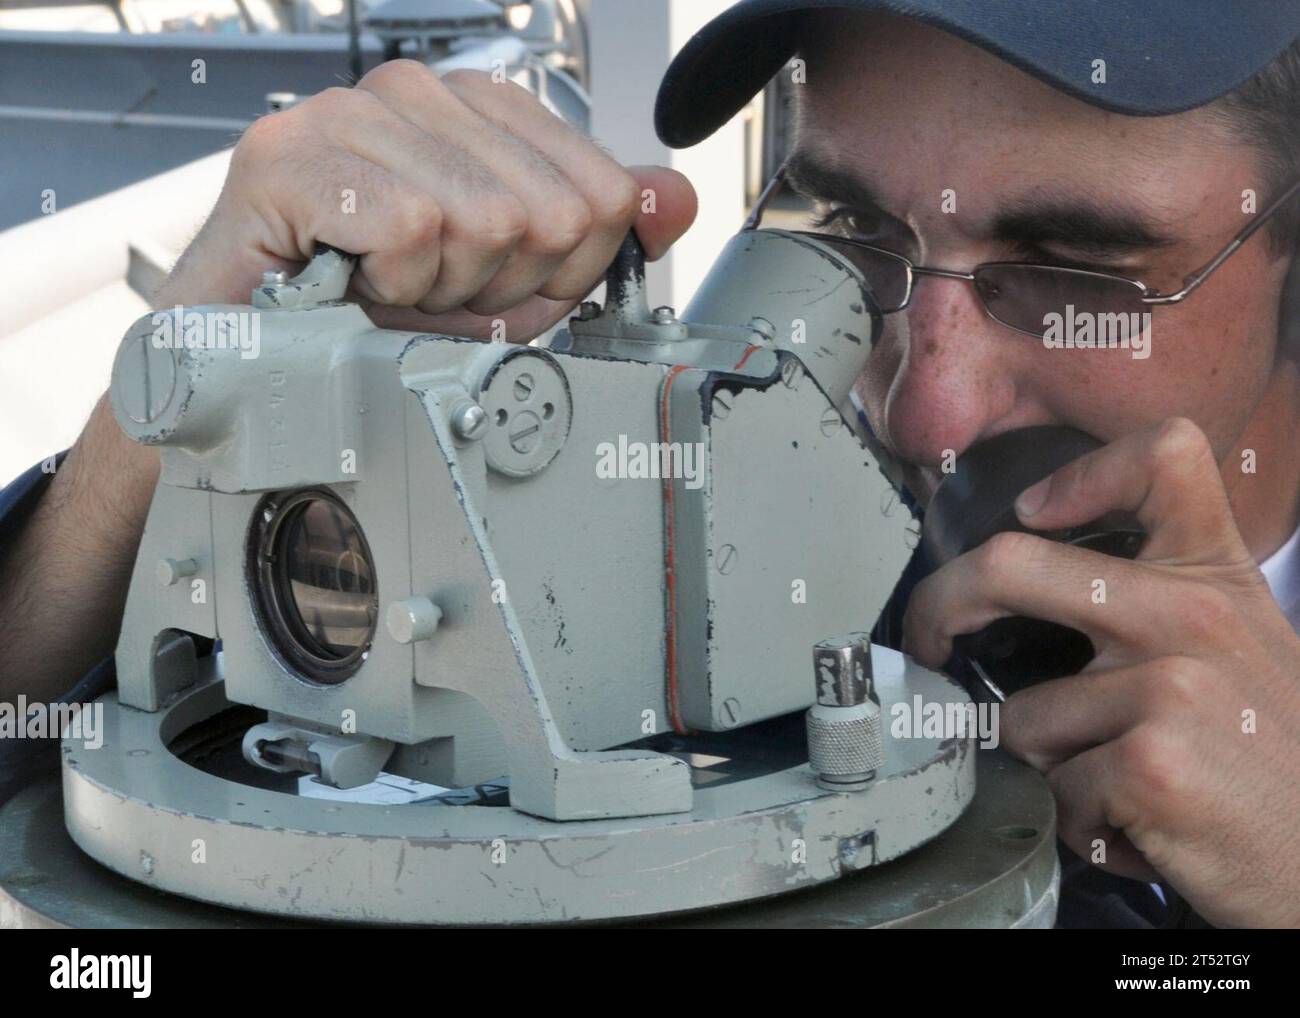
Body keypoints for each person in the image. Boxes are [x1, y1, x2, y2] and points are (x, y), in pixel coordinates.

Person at [2, 0, 1298, 927]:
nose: (922, 410)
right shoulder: (712, 566)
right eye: (845, 234)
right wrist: (184, 389)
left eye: (1075, 273)